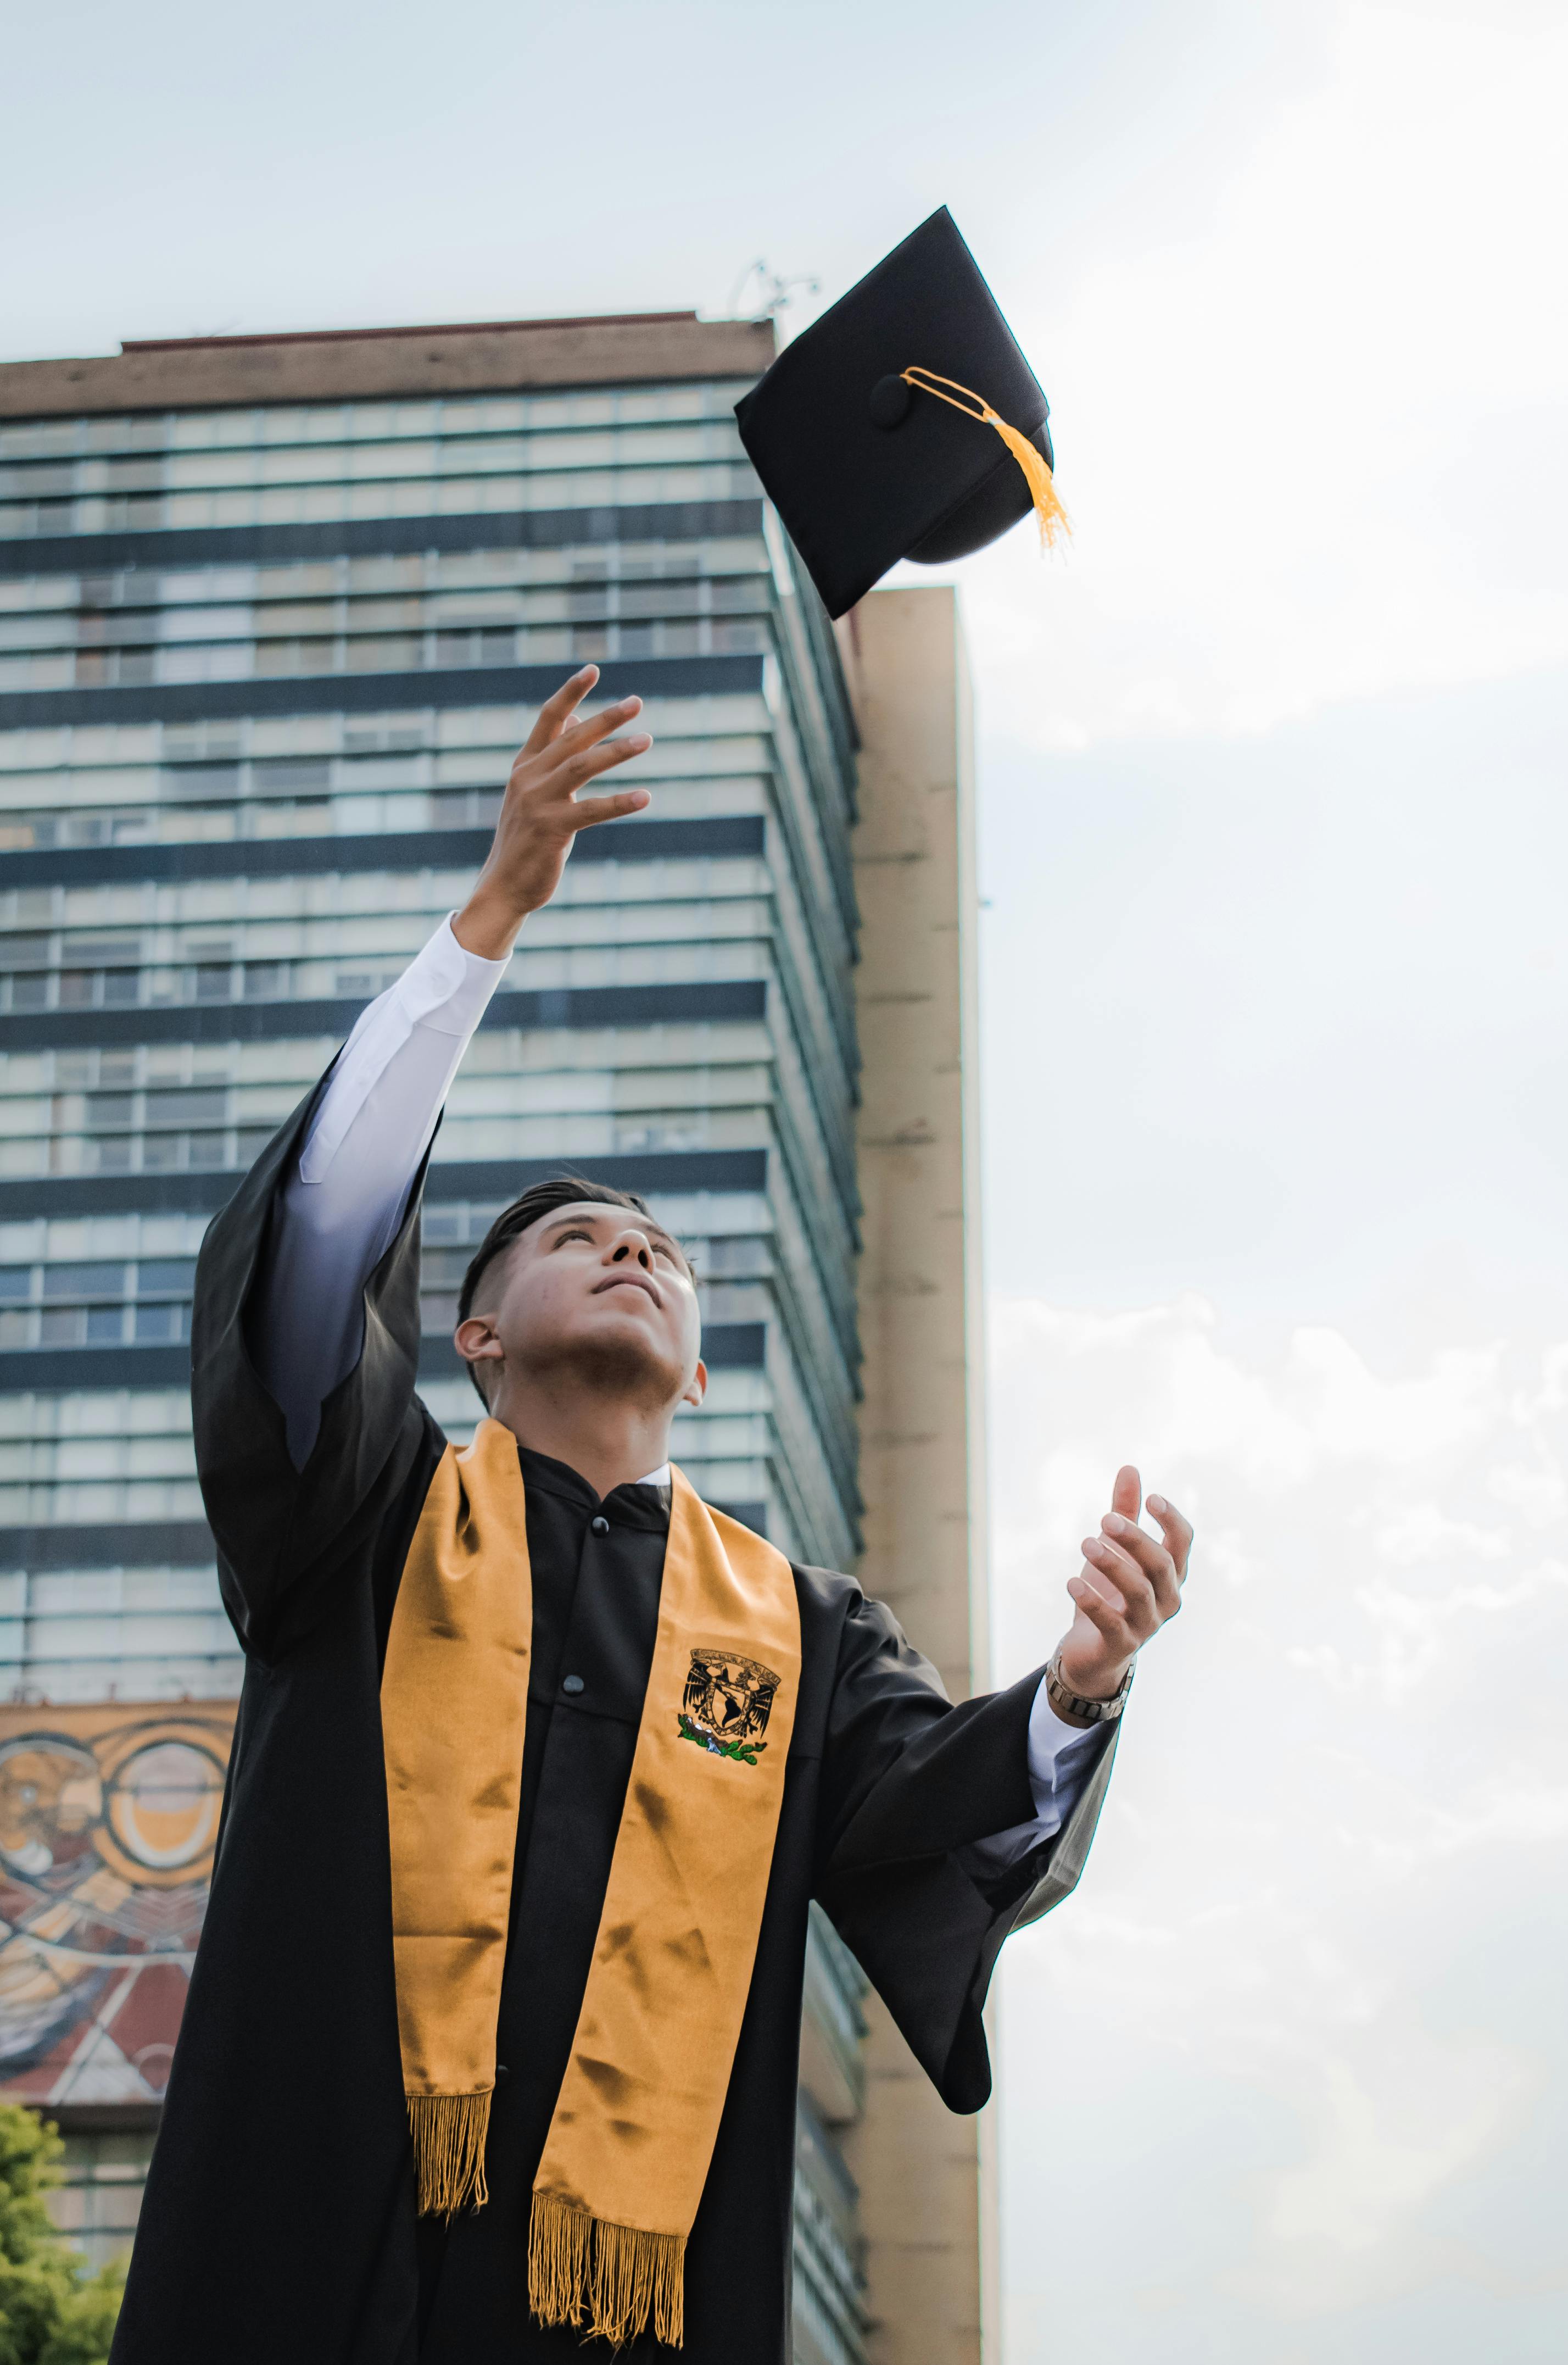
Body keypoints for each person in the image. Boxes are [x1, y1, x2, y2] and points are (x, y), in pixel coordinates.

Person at [108, 667, 1191, 2365]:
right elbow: (319, 1248)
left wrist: (1077, 1690)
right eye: (573, 1238)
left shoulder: (797, 1630)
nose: (630, 1248)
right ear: (469, 1335)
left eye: (659, 1252)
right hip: (308, 2256)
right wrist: (492, 915)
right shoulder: (368, 1520)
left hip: (626, 2315)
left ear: (691, 1374)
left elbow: (943, 1823)